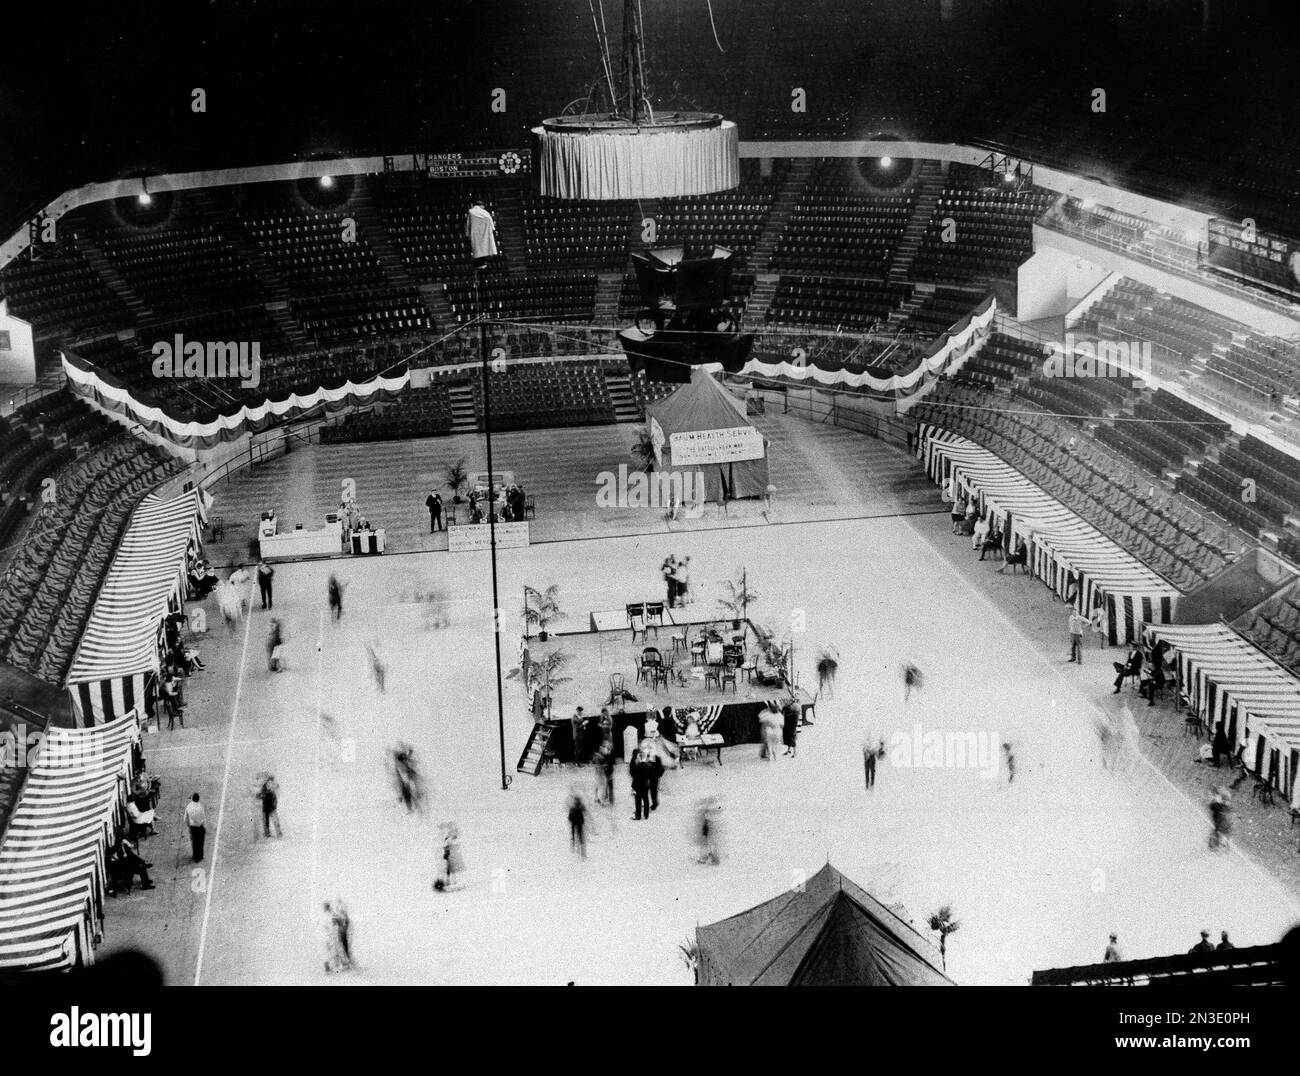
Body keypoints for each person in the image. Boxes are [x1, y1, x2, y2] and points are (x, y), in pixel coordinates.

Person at [434, 822, 463, 891]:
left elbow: (449, 846)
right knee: (450, 871)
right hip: (448, 858)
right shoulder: (448, 841)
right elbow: (447, 846)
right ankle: (450, 883)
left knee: (450, 871)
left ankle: (450, 882)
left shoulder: (448, 840)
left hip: (449, 857)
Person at [629, 751, 652, 820]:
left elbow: (635, 778)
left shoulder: (638, 766)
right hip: (646, 785)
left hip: (638, 786)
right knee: (646, 800)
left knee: (638, 801)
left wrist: (633, 787)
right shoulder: (648, 765)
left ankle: (638, 816)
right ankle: (646, 815)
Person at [184, 792, 206, 863]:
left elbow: (185, 819)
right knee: (201, 842)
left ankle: (195, 856)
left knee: (194, 842)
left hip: (192, 827)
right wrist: (204, 826)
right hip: (200, 826)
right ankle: (200, 855)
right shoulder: (200, 806)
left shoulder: (188, 806)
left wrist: (189, 826)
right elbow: (203, 818)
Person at [567, 791, 589, 856]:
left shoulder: (573, 807)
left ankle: (575, 847)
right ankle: (579, 849)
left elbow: (570, 816)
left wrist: (571, 819)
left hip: (576, 822)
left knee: (576, 835)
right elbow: (585, 811)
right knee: (579, 835)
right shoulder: (578, 806)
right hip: (578, 822)